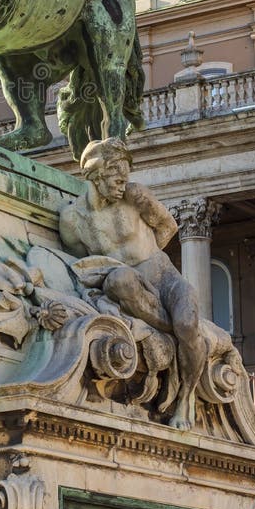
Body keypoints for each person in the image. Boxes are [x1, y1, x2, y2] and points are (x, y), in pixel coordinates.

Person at [59, 138, 207, 430]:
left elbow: (168, 226)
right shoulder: (73, 220)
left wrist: (149, 260)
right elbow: (83, 263)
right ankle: (174, 330)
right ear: (96, 174)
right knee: (118, 279)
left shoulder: (134, 195)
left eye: (125, 176)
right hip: (129, 285)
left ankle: (186, 398)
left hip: (165, 277)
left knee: (188, 324)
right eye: (116, 176)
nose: (122, 183)